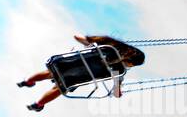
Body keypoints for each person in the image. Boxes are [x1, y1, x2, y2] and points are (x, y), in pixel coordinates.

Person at [17, 35, 146, 111]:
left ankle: (27, 81)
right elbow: (117, 93)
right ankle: (38, 104)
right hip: (75, 78)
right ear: (131, 63)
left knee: (49, 73)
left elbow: (77, 37)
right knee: (59, 88)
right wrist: (119, 91)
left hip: (66, 63)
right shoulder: (120, 70)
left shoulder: (108, 47)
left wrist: (91, 43)